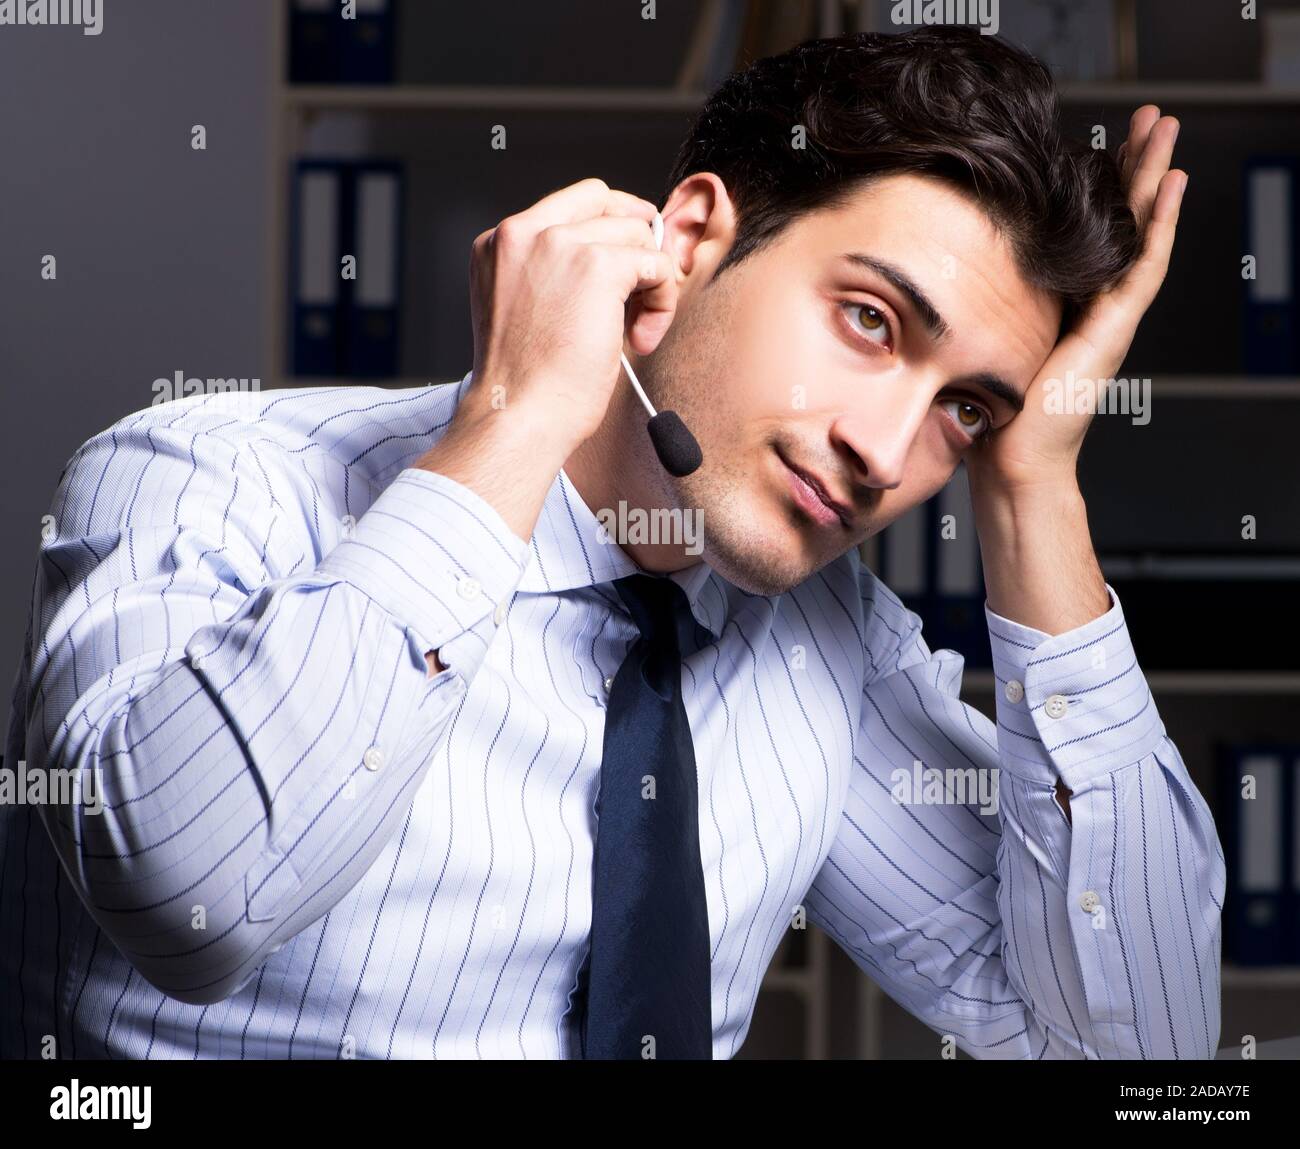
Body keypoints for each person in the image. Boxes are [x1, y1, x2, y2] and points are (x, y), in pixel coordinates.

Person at [0, 26, 1222, 1059]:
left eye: (966, 406)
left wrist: (1033, 488)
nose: (888, 449)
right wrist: (515, 422)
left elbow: (1130, 1051)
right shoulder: (209, 476)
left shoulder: (826, 642)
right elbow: (190, 896)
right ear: (689, 240)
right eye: (869, 320)